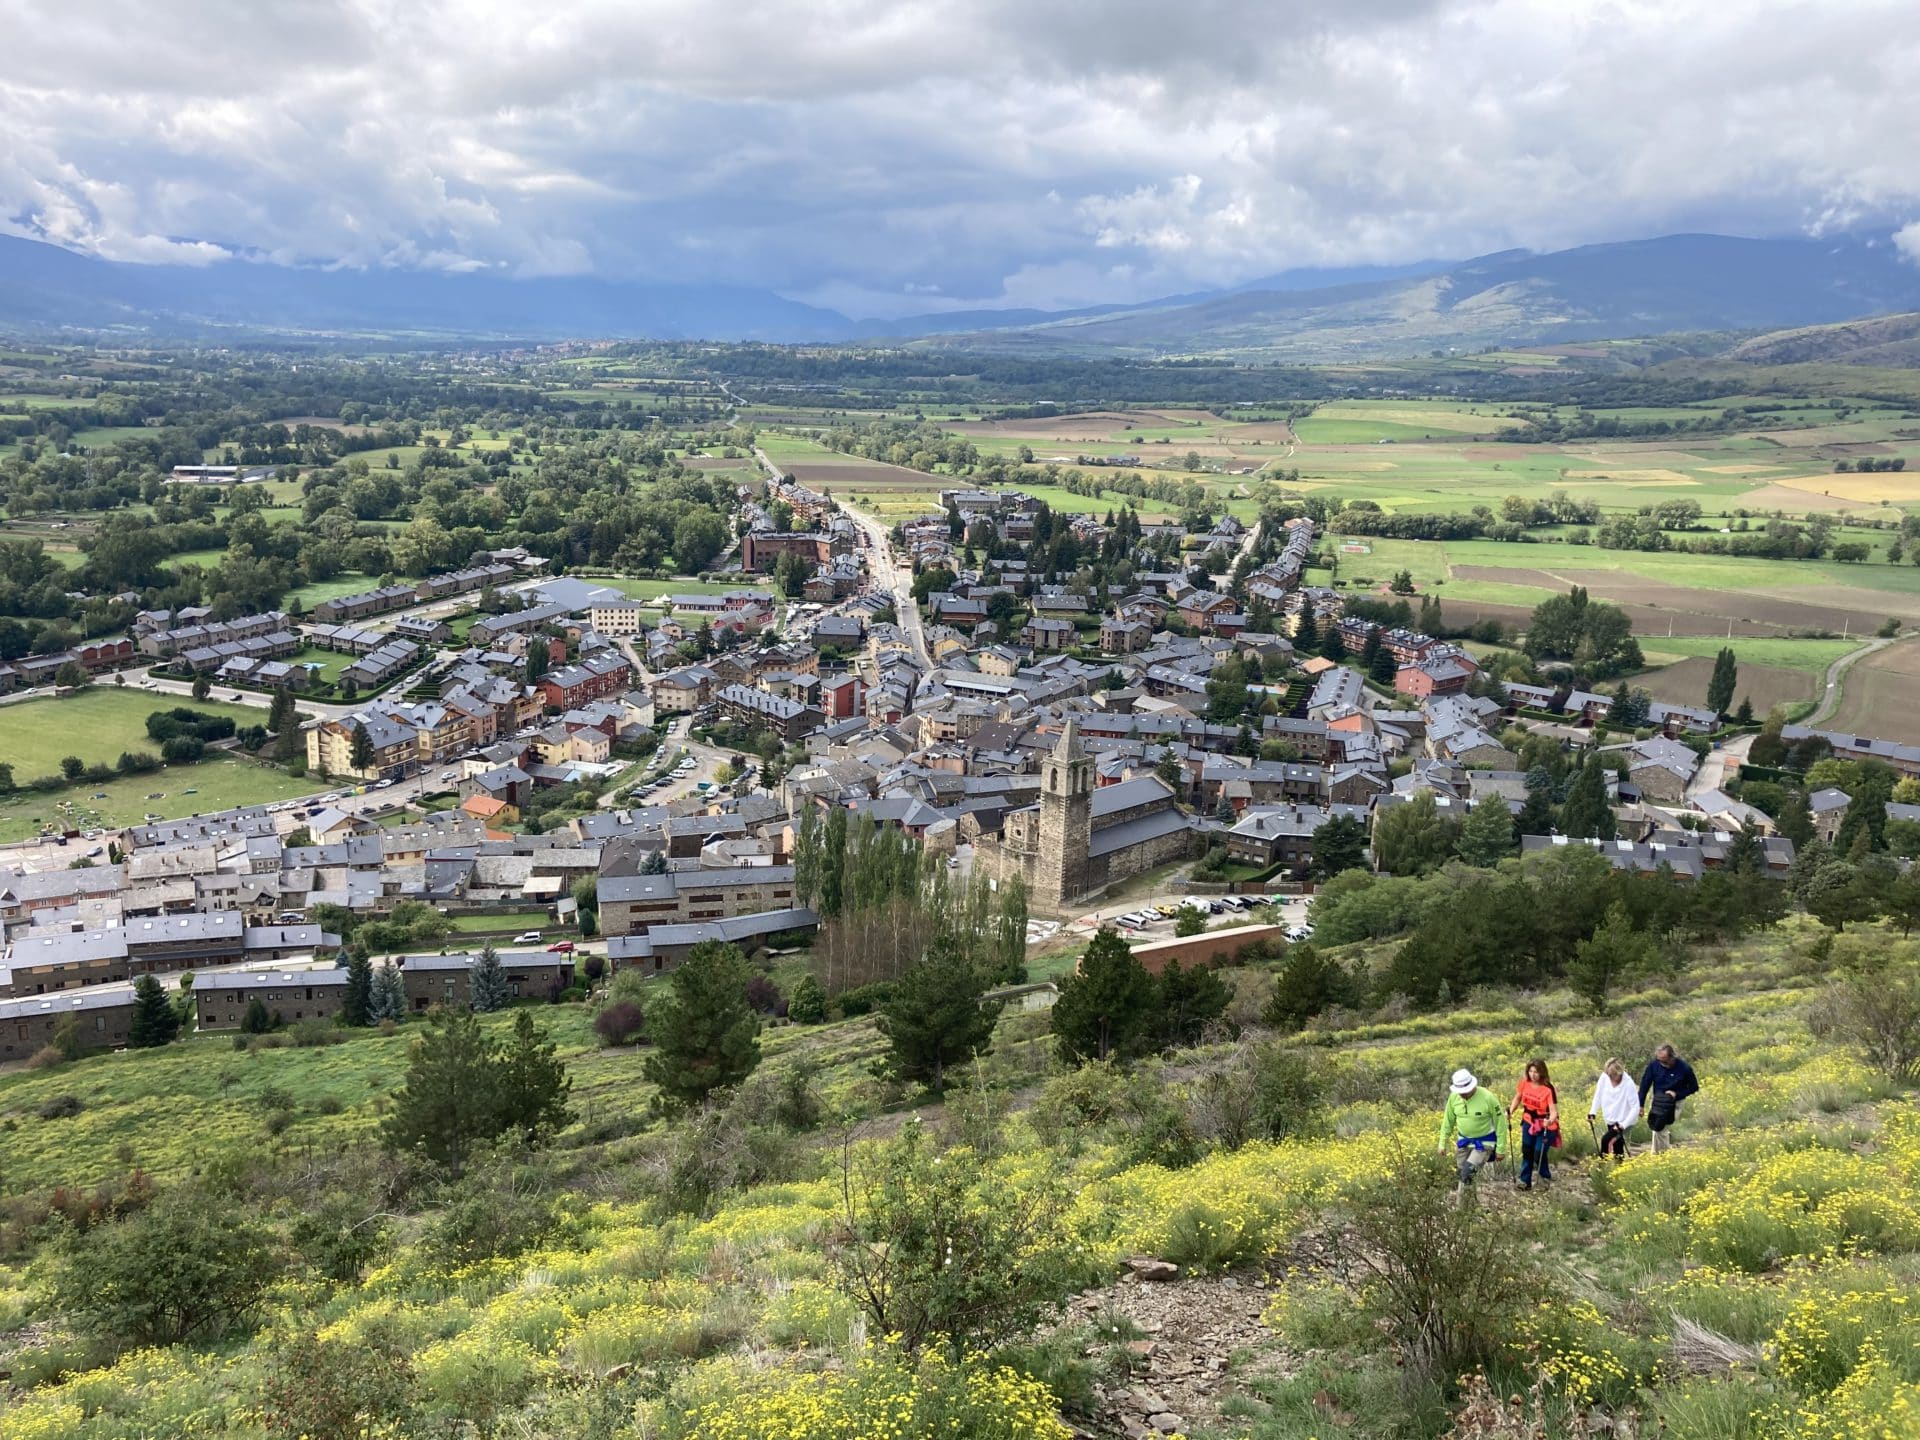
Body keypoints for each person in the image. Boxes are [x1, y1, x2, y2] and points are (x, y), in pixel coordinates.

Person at [1438, 1068, 1507, 1204]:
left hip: (1484, 1143)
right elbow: (1448, 1121)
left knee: (1468, 1172)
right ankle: (1471, 1206)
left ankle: (1460, 1208)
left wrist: (1500, 1148)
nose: (1462, 1095)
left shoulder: (1488, 1098)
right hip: (1464, 1141)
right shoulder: (1454, 1098)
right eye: (1460, 1092)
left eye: (1465, 1091)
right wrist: (1442, 1143)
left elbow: (1500, 1123)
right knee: (1464, 1175)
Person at [1508, 1058, 1560, 1190]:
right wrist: (1510, 1110)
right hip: (1528, 1121)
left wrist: (1550, 1120)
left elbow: (1553, 1111)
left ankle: (1544, 1179)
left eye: (1536, 1072)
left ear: (1542, 1072)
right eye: (1530, 1071)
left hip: (1545, 1125)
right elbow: (1518, 1097)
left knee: (1539, 1152)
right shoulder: (1524, 1083)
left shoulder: (1548, 1088)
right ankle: (1525, 1181)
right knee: (1527, 1151)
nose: (1533, 1074)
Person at [1637, 1044, 1699, 1154]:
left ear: (1672, 1057)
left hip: (1675, 1103)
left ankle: (1662, 1156)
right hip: (1657, 1102)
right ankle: (1660, 1156)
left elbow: (1694, 1087)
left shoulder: (1684, 1068)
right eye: (1659, 1060)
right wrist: (1640, 1105)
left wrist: (1677, 1094)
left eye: (1664, 1061)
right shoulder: (1653, 1065)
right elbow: (1644, 1085)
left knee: (1660, 1128)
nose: (1662, 1063)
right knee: (1658, 1128)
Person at [1589, 1057, 1639, 1160]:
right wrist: (1592, 1112)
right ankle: (1618, 1169)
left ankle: (1602, 1168)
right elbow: (1598, 1095)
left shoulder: (1628, 1084)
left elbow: (1635, 1107)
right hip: (1610, 1118)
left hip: (1624, 1120)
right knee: (1617, 1146)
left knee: (1607, 1140)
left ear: (1619, 1072)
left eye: (1612, 1075)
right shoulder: (1604, 1077)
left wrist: (1623, 1125)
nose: (1609, 1077)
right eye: (1608, 1074)